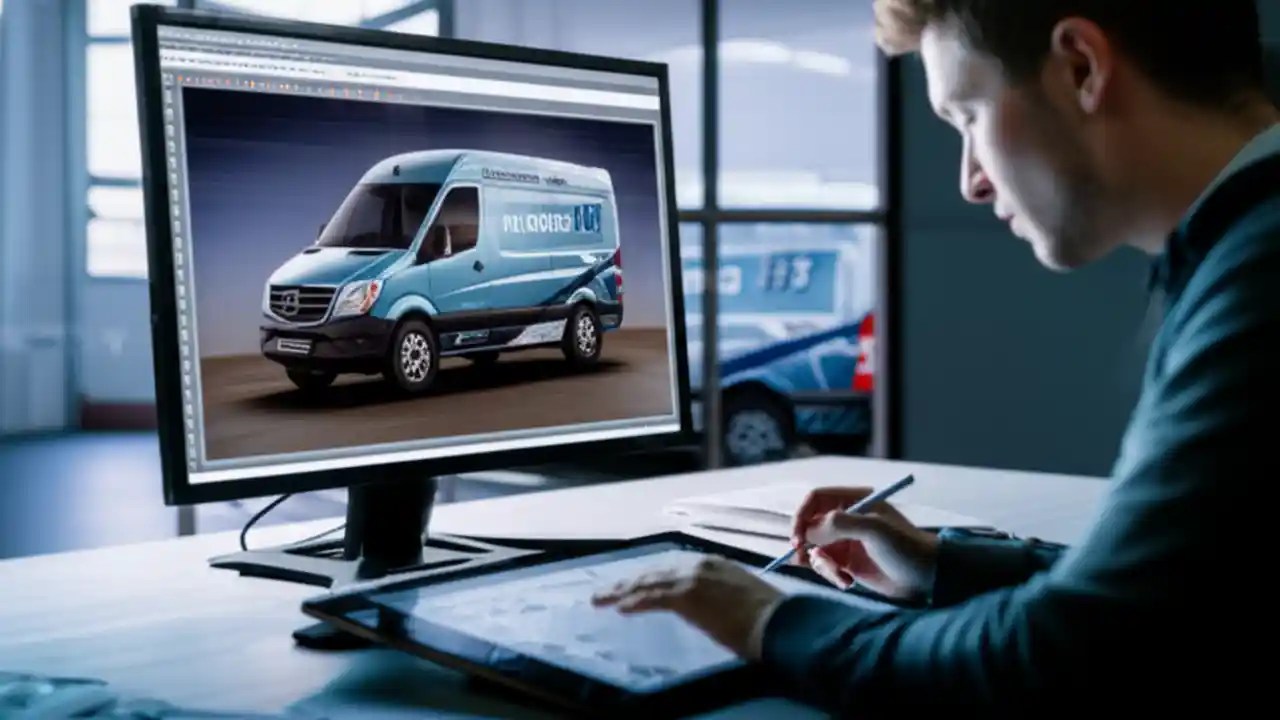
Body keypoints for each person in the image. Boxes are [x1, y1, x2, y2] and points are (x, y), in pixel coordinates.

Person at [593, 0, 1280, 714]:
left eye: (969, 116)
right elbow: (1168, 594)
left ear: (1081, 67)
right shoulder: (1242, 251)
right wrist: (942, 566)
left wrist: (770, 619)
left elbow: (1067, 653)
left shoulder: (1259, 281)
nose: (971, 180)